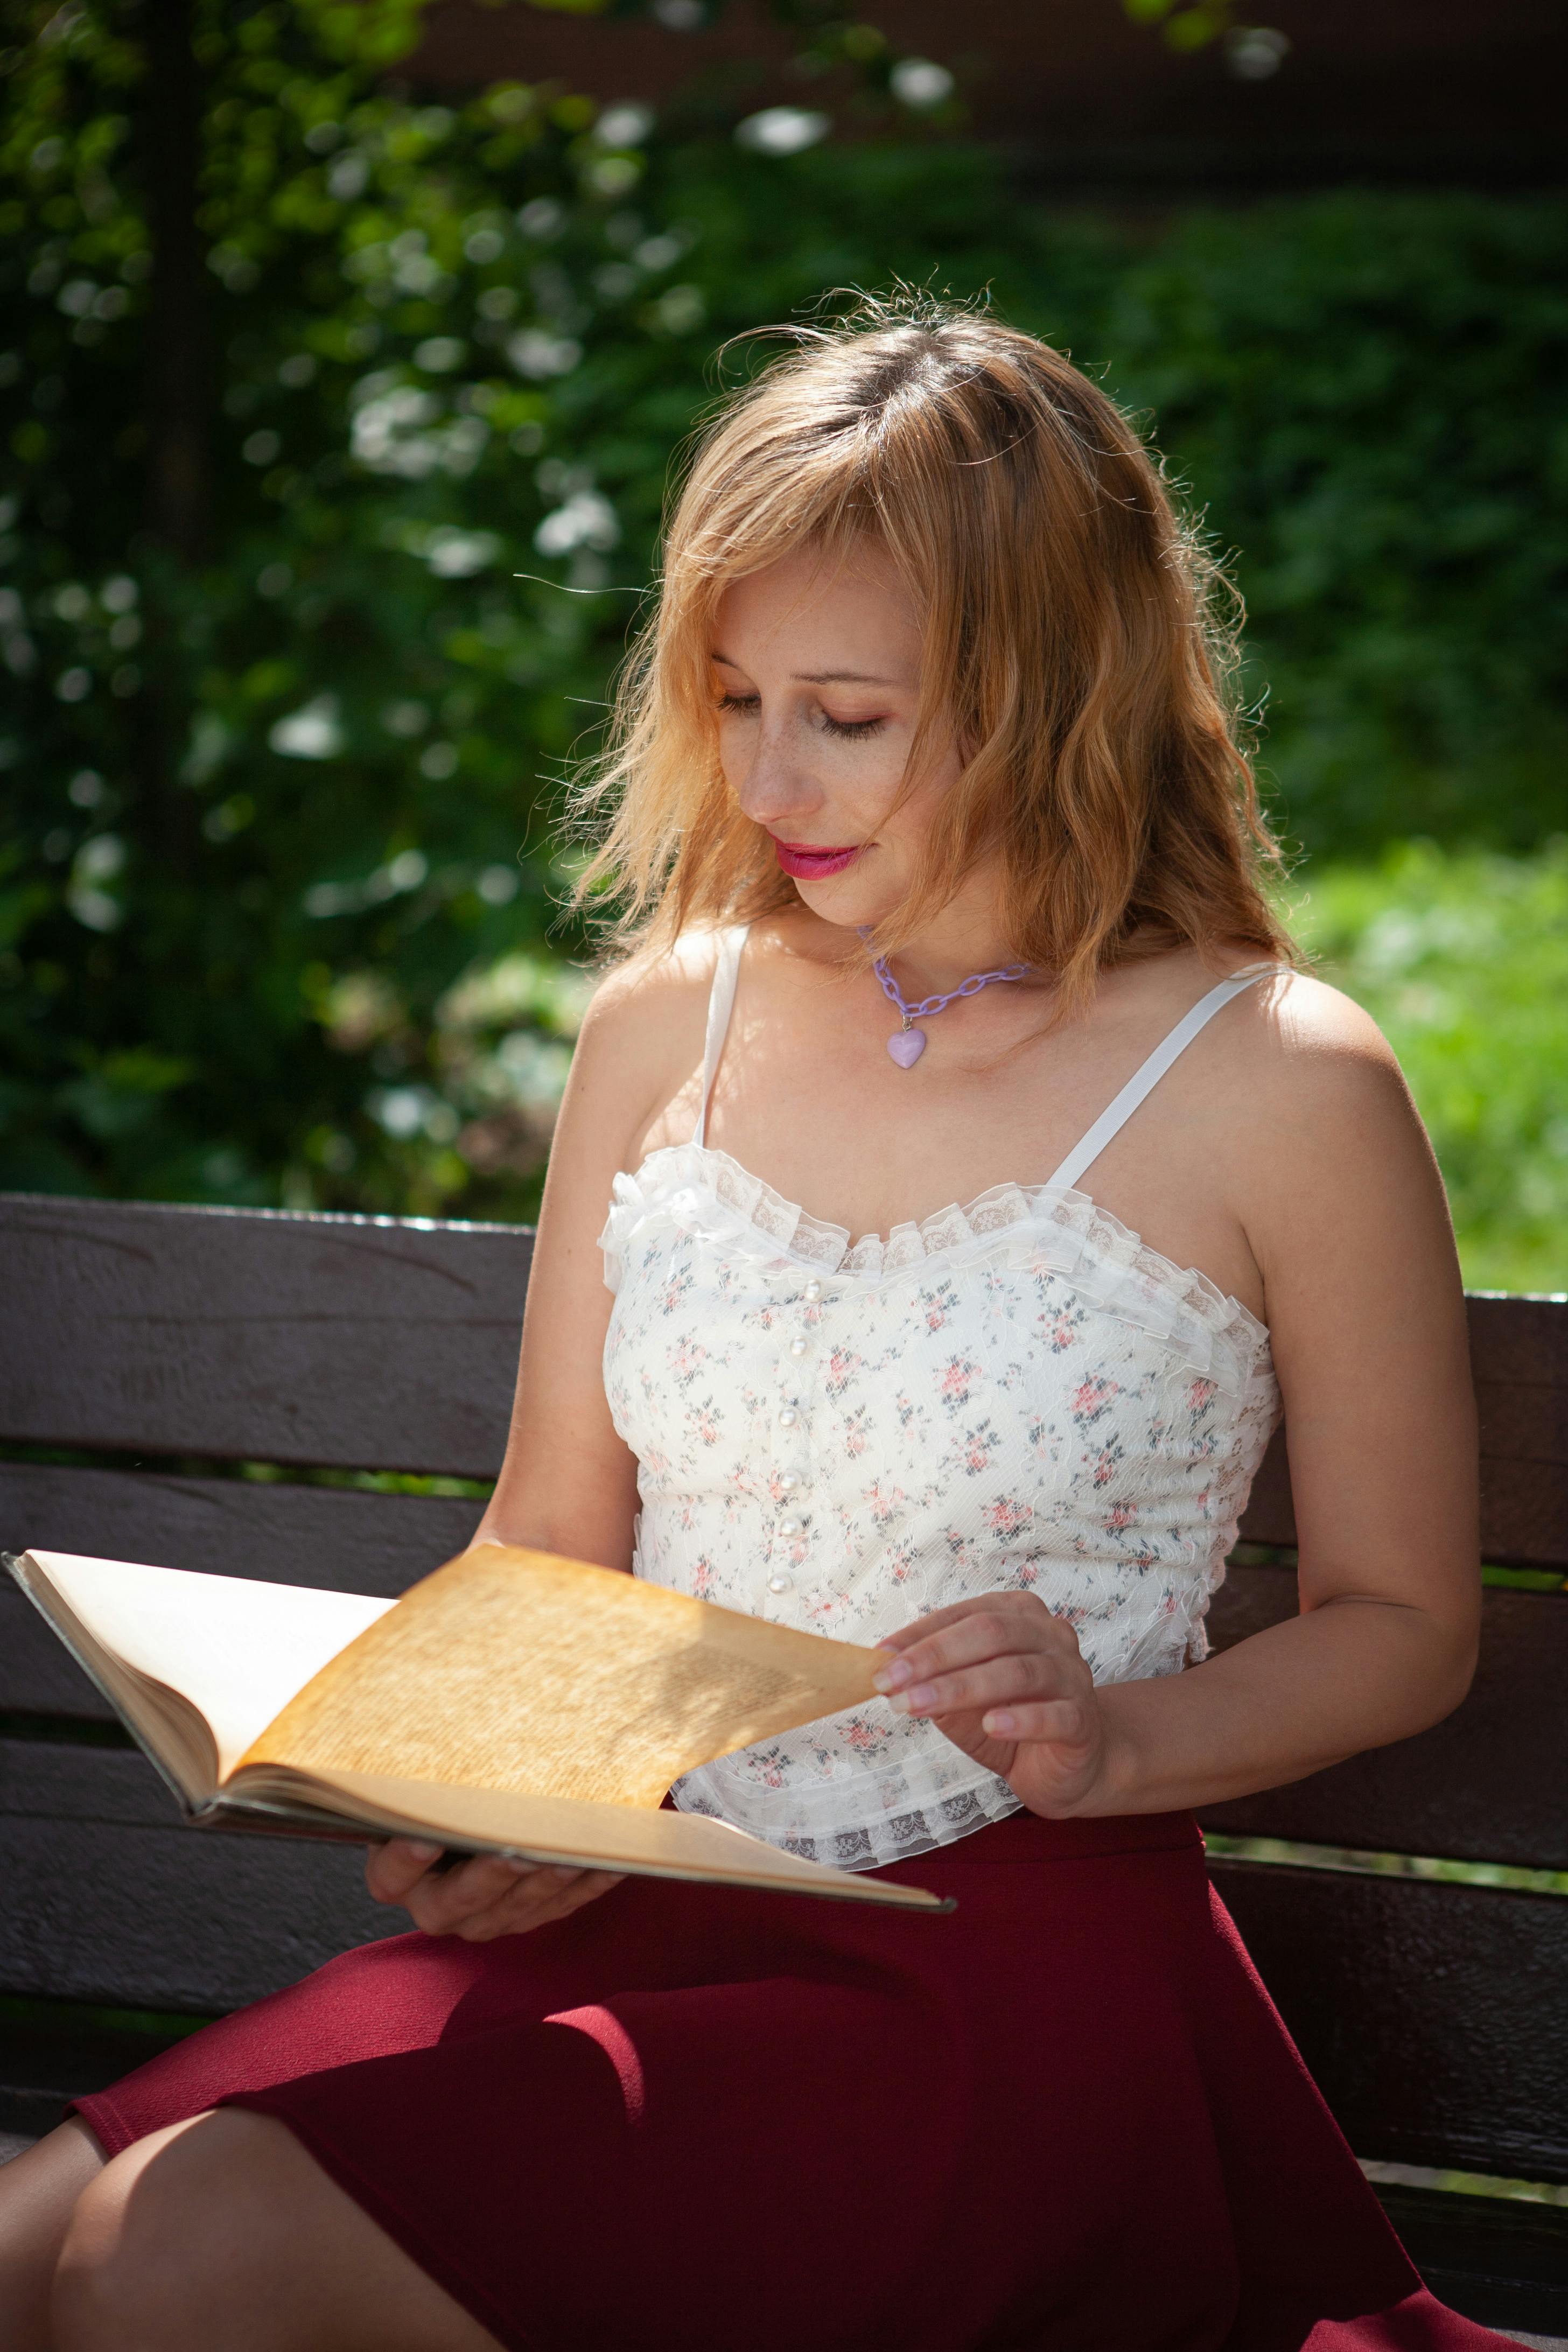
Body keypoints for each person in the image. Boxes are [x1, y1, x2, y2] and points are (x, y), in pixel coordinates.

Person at [0, 299, 1511, 2352]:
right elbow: (553, 1530)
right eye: (730, 696)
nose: (768, 776)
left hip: (1001, 1967)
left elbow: (1408, 1619)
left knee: (189, 2256)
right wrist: (488, 1788)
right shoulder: (662, 1021)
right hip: (634, 1905)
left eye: (850, 714)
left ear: (1054, 689)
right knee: (37, 2247)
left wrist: (1123, 1733)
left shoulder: (1280, 1082)